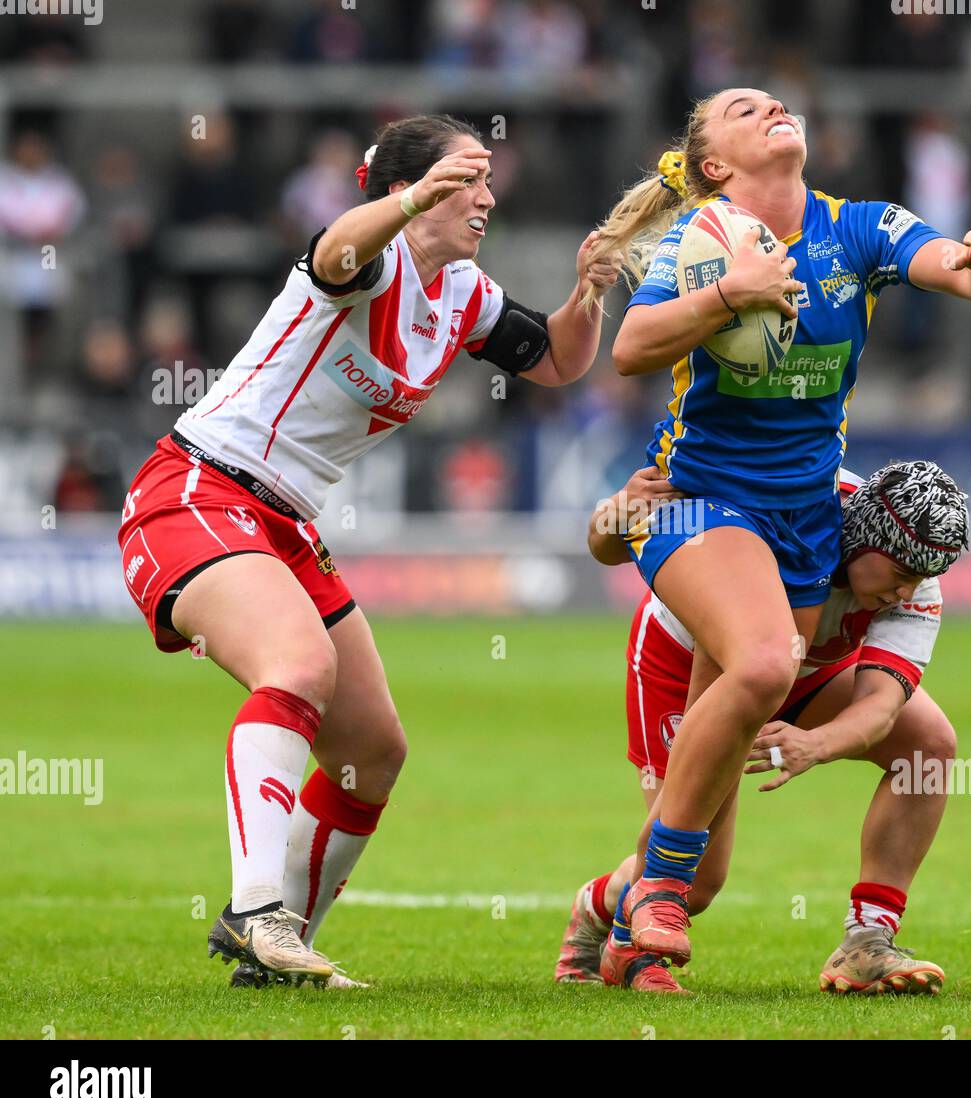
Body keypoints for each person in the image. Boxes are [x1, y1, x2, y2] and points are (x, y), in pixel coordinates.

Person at [117, 114, 621, 987]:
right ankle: (253, 911)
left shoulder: (461, 291)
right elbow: (335, 246)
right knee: (297, 665)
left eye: (488, 180)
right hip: (198, 490)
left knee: (372, 753)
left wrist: (589, 294)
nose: (488, 197)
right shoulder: (369, 257)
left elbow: (558, 364)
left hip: (286, 523)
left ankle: (277, 958)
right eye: (470, 178)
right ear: (409, 188)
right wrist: (408, 201)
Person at [582, 88, 971, 981]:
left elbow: (954, 268)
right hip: (696, 504)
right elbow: (630, 349)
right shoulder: (702, 242)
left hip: (806, 517)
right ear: (715, 164)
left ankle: (660, 915)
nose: (772, 104)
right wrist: (730, 296)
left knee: (913, 752)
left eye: (774, 100)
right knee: (770, 660)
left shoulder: (856, 228)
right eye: (745, 109)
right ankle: (655, 887)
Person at [556, 460, 968, 993]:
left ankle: (868, 941)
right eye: (900, 574)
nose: (908, 591)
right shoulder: (784, 493)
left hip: (801, 673)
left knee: (929, 746)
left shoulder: (917, 586)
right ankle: (598, 909)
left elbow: (880, 707)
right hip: (684, 661)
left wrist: (813, 745)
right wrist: (618, 511)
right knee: (698, 883)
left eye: (919, 578)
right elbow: (609, 545)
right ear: (864, 539)